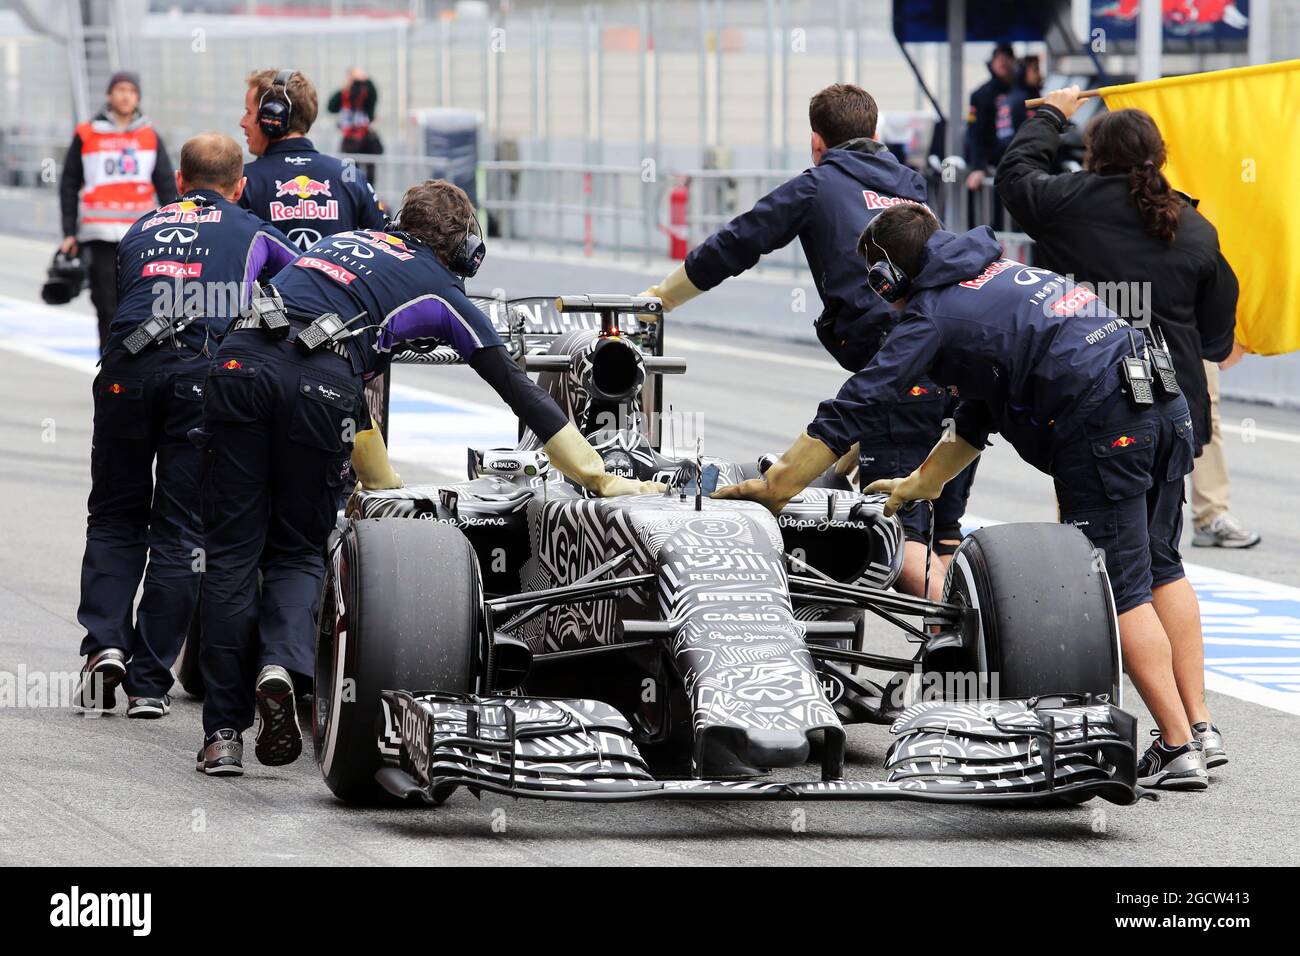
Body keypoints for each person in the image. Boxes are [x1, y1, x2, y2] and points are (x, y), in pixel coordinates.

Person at [716, 204, 1224, 791]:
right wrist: (922, 483)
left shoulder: (932, 313)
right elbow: (982, 404)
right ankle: (1201, 726)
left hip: (1106, 424)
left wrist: (780, 485)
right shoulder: (1000, 274)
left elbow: (859, 401)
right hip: (1161, 397)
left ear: (886, 277)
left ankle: (1177, 746)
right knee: (1164, 567)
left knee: (1124, 586)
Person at [195, 179, 662, 776]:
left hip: (237, 366)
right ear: (466, 250)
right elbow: (519, 390)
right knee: (295, 553)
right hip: (319, 391)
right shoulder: (439, 290)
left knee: (231, 555)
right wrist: (597, 476)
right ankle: (280, 668)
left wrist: (381, 478)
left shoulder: (340, 244)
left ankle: (222, 736)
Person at [638, 82, 973, 599]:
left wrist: (661, 298)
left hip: (902, 372)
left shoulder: (817, 185)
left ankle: (983, 647)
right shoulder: (915, 191)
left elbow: (736, 243)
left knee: (905, 549)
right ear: (876, 134)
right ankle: (959, 662)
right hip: (957, 373)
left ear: (817, 142)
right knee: (943, 540)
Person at [72, 133, 298, 719]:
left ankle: (105, 647)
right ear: (240, 185)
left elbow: (129, 298)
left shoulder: (140, 228)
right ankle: (148, 682)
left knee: (115, 514)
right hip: (198, 381)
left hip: (124, 374)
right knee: (180, 529)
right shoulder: (253, 231)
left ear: (179, 180)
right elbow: (303, 287)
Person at [994, 88, 1257, 548]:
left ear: (1093, 153)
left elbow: (1015, 174)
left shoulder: (1064, 203)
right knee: (1160, 562)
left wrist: (1053, 115)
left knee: (1090, 560)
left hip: (1085, 400)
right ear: (1160, 155)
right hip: (1168, 406)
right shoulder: (1193, 226)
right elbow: (1216, 338)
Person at [59, 71, 178, 352]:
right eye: (120, 89)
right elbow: (68, 184)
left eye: (131, 90)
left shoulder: (149, 136)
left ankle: (134, 367)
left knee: (140, 302)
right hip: (99, 234)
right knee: (106, 303)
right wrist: (68, 233)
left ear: (137, 98)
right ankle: (110, 368)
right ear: (109, 95)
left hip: (140, 235)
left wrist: (176, 232)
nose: (126, 95)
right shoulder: (87, 134)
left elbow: (166, 187)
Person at [238, 69, 385, 252]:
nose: (242, 123)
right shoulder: (351, 176)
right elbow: (385, 245)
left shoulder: (242, 181)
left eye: (248, 112)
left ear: (272, 118)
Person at [962, 42, 1018, 224]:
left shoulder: (1022, 92)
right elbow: (975, 134)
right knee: (990, 218)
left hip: (1017, 163)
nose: (1003, 63)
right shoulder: (981, 95)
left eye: (1007, 58)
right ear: (992, 62)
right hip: (992, 164)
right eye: (999, 58)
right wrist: (978, 166)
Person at [327, 67, 383, 188]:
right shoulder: (343, 94)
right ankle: (354, 191)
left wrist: (366, 80)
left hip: (366, 137)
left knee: (370, 169)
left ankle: (369, 191)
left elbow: (373, 96)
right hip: (350, 139)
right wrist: (345, 88)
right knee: (351, 171)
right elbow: (331, 107)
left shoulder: (367, 94)